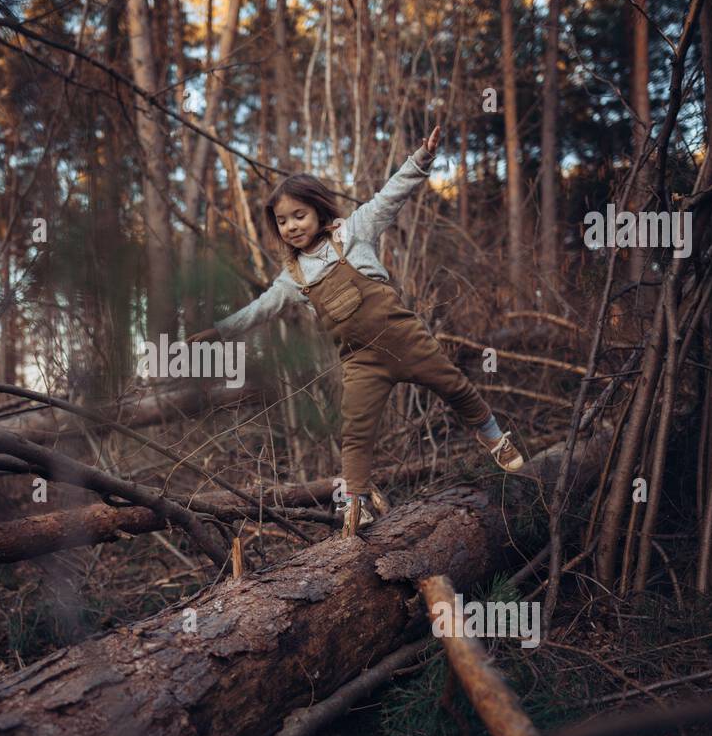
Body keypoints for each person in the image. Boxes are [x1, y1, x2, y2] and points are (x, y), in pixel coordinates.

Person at [187, 126, 524, 529]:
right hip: (362, 363)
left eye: (299, 215)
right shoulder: (292, 277)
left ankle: (491, 435)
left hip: (406, 341)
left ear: (319, 211)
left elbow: (391, 195)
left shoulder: (354, 232)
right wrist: (219, 331)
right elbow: (260, 310)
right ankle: (356, 502)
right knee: (356, 433)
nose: (292, 226)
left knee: (454, 385)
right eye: (282, 221)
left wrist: (422, 158)